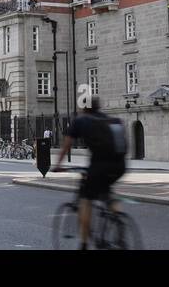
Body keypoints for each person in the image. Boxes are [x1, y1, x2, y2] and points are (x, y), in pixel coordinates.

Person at [53, 97, 127, 250]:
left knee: (86, 200)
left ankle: (84, 244)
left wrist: (58, 165)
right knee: (107, 193)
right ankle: (118, 220)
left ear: (83, 108)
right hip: (120, 165)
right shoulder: (111, 120)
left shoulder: (81, 121)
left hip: (99, 166)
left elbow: (66, 146)